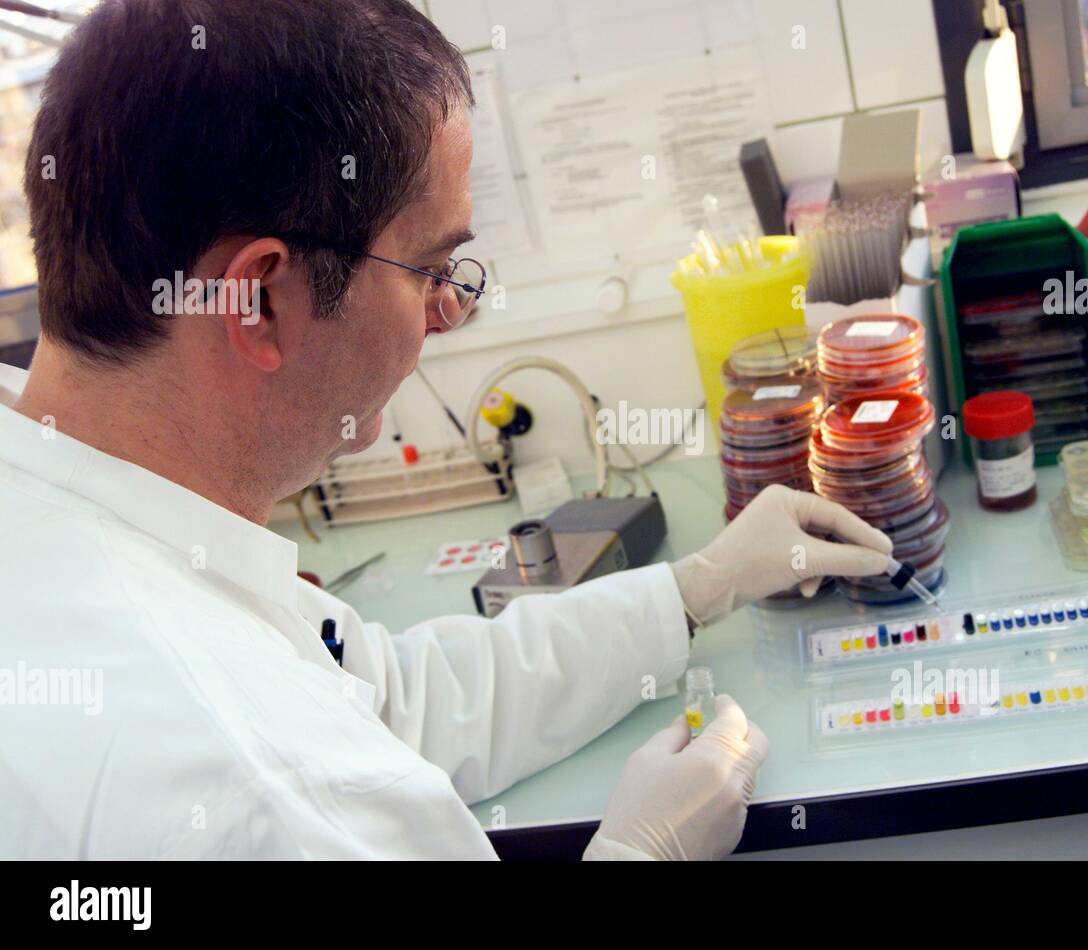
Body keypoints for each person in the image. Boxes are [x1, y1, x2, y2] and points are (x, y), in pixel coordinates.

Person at [0, 0, 892, 860]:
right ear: (258, 301)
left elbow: (394, 698)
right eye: (430, 269)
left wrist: (698, 585)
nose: (448, 312)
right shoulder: (257, 795)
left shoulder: (65, 503)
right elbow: (319, 756)